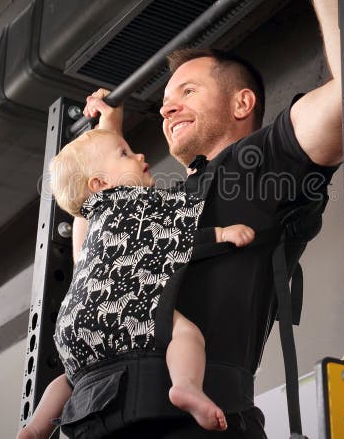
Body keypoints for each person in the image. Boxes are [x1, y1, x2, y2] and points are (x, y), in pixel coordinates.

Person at [58, 0, 343, 439]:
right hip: (94, 419)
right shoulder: (152, 198)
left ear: (242, 102)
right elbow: (90, 264)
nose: (168, 110)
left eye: (187, 92)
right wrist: (106, 141)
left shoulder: (264, 162)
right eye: (165, 104)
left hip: (195, 422)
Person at [17, 90, 256, 439]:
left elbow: (102, 164)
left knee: (72, 376)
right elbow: (171, 237)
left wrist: (110, 125)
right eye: (126, 153)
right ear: (100, 184)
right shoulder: (135, 203)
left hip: (73, 324)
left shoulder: (94, 218)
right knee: (186, 333)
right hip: (124, 308)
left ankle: (37, 426)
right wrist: (220, 233)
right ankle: (186, 386)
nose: (140, 153)